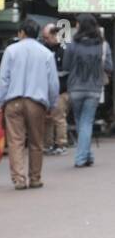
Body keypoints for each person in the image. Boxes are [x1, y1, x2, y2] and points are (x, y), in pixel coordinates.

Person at [0, 19, 59, 190]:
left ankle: (19, 179)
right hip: (36, 103)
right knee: (36, 142)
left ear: (21, 33)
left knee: (15, 141)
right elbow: (53, 83)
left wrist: (0, 102)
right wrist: (52, 104)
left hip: (13, 102)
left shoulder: (10, 50)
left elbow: (4, 79)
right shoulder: (46, 53)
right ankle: (35, 178)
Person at [62, 14, 112, 168]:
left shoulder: (72, 45)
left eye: (77, 24)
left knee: (81, 121)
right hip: (94, 88)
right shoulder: (103, 45)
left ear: (81, 26)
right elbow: (109, 67)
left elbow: (66, 66)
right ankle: (85, 156)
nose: (76, 26)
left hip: (75, 88)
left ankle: (83, 156)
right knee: (86, 122)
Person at [42, 23, 70, 155]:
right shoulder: (44, 48)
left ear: (54, 35)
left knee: (59, 117)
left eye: (47, 37)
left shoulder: (64, 49)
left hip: (61, 89)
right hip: (46, 90)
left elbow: (66, 70)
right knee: (47, 118)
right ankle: (47, 144)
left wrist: (51, 73)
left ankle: (61, 144)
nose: (45, 40)